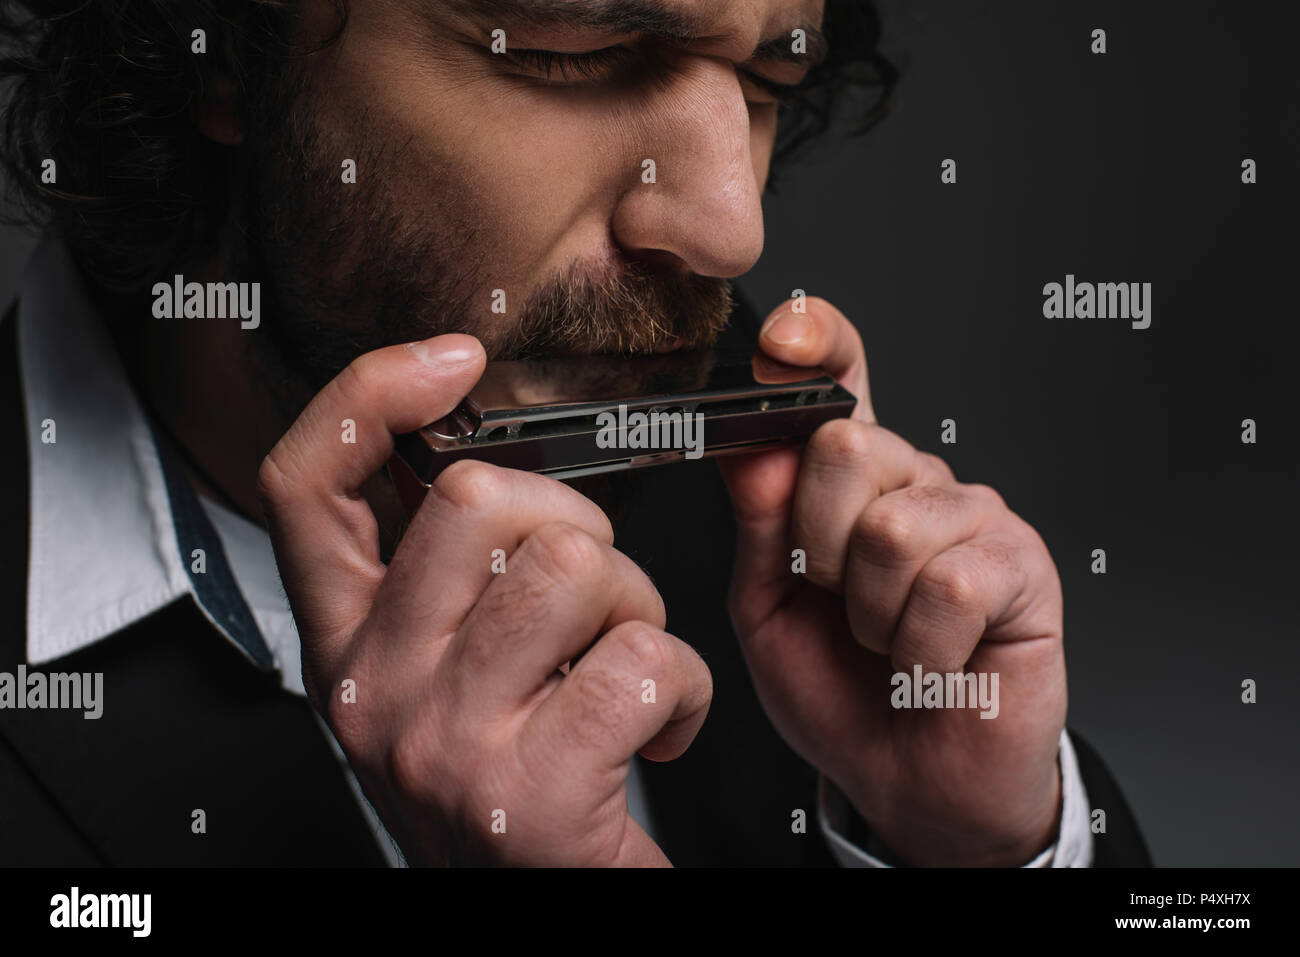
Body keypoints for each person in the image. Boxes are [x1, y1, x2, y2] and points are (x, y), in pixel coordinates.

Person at [0, 0, 1150, 866]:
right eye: (575, 50)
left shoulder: (757, 491)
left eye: (766, 79)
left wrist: (972, 850)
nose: (726, 228)